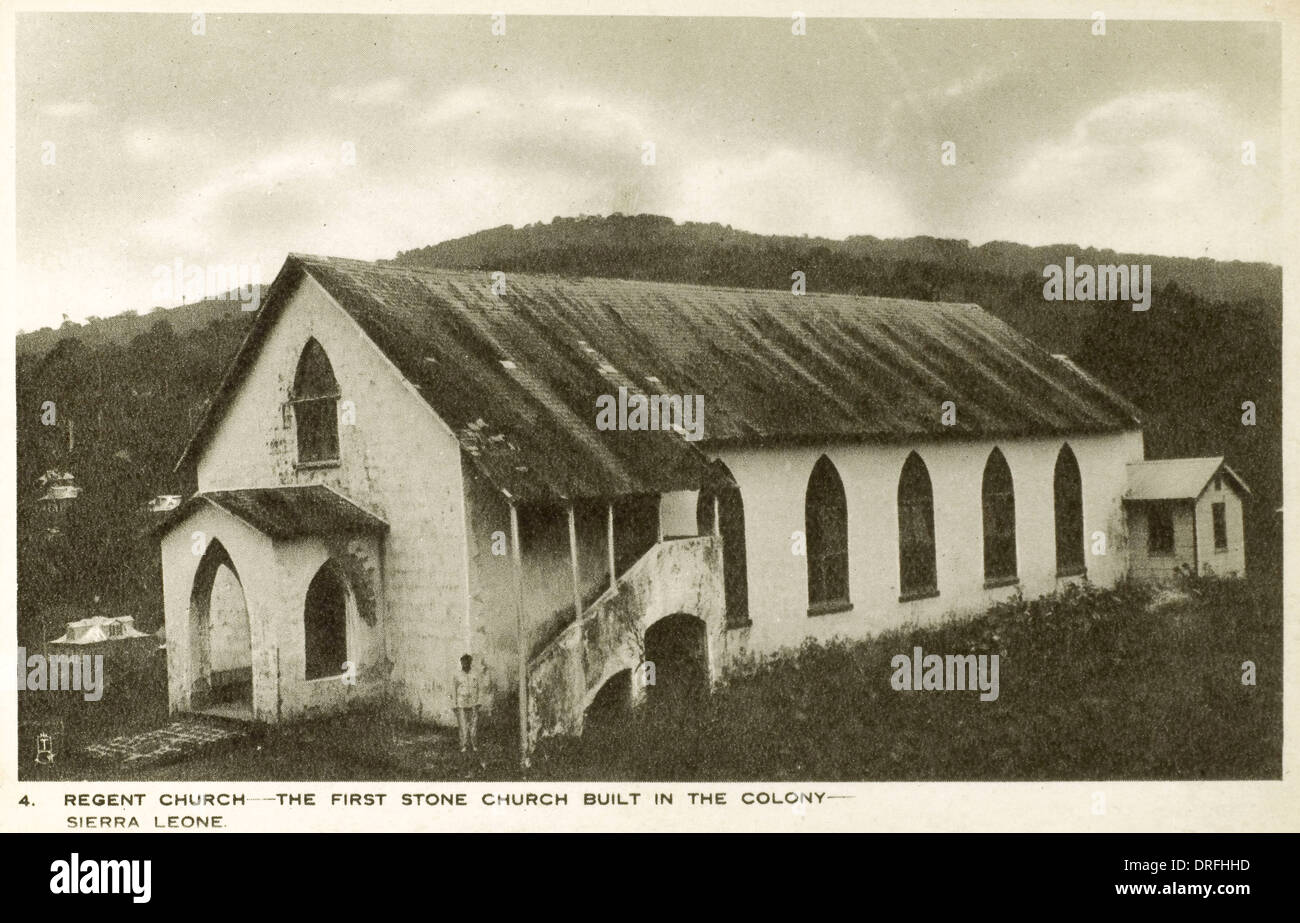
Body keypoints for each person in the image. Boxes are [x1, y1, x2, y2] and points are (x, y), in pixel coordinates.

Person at [453, 653, 481, 754]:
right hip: (461, 704)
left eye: (467, 661)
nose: (465, 664)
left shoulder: (475, 674)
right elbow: (453, 690)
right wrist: (454, 705)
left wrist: (479, 702)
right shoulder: (457, 675)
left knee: (474, 726)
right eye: (463, 662)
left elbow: (479, 688)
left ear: (470, 662)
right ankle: (463, 746)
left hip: (473, 703)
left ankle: (474, 745)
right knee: (463, 726)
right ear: (461, 662)